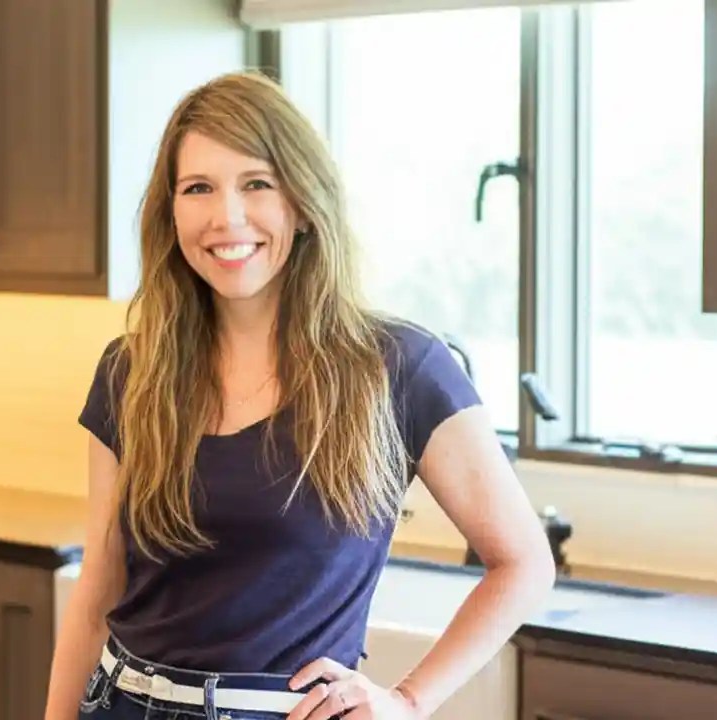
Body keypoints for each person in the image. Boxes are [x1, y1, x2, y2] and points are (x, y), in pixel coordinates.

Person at [45, 70, 555, 720]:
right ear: (170, 212)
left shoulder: (398, 368)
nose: (227, 217)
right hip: (120, 704)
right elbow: (99, 591)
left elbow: (524, 563)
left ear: (303, 199)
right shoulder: (131, 370)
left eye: (257, 184)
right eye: (198, 188)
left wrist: (406, 701)